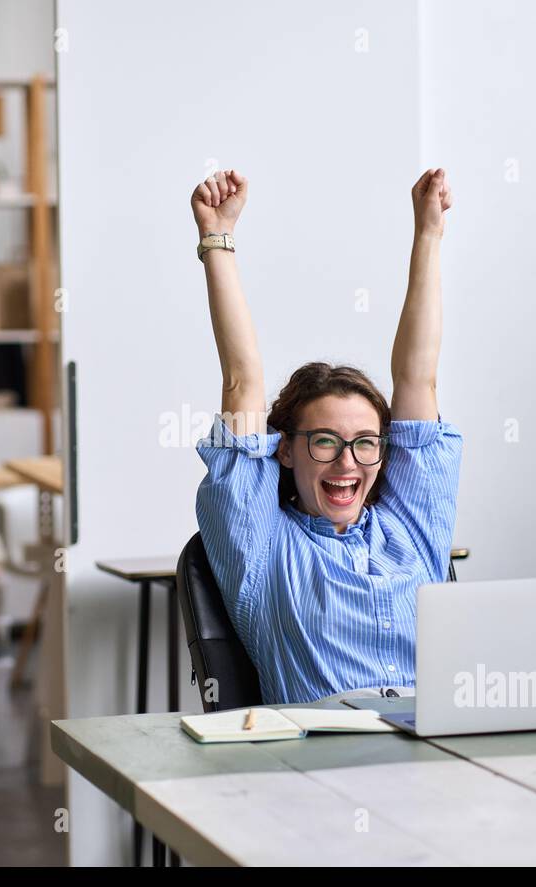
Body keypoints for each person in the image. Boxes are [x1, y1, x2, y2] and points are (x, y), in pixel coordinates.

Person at [192, 167, 463, 705]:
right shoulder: (263, 549)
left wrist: (428, 235)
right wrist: (217, 241)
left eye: (366, 442)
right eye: (324, 442)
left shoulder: (411, 532)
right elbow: (241, 381)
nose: (348, 463)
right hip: (325, 771)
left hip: (438, 757)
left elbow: (418, 378)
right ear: (285, 449)